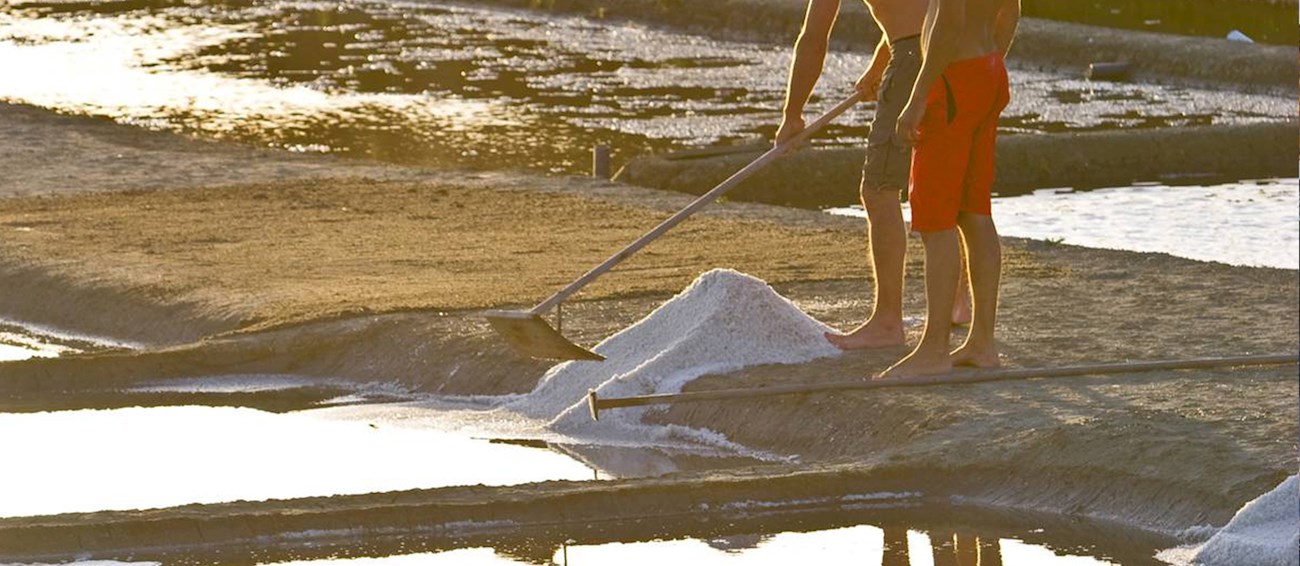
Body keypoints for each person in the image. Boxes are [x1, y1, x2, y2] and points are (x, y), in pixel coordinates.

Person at [775, 0, 972, 352]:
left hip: (914, 58)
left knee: (879, 190)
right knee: (948, 182)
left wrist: (793, 115)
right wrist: (879, 66)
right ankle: (960, 302)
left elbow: (814, 38)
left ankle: (887, 322)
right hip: (962, 52)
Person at [881, 0, 1020, 377]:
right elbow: (1012, 10)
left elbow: (949, 20)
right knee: (974, 212)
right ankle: (982, 343)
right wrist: (990, 62)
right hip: (987, 69)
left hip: (954, 80)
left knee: (935, 220)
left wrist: (917, 96)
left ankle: (934, 349)